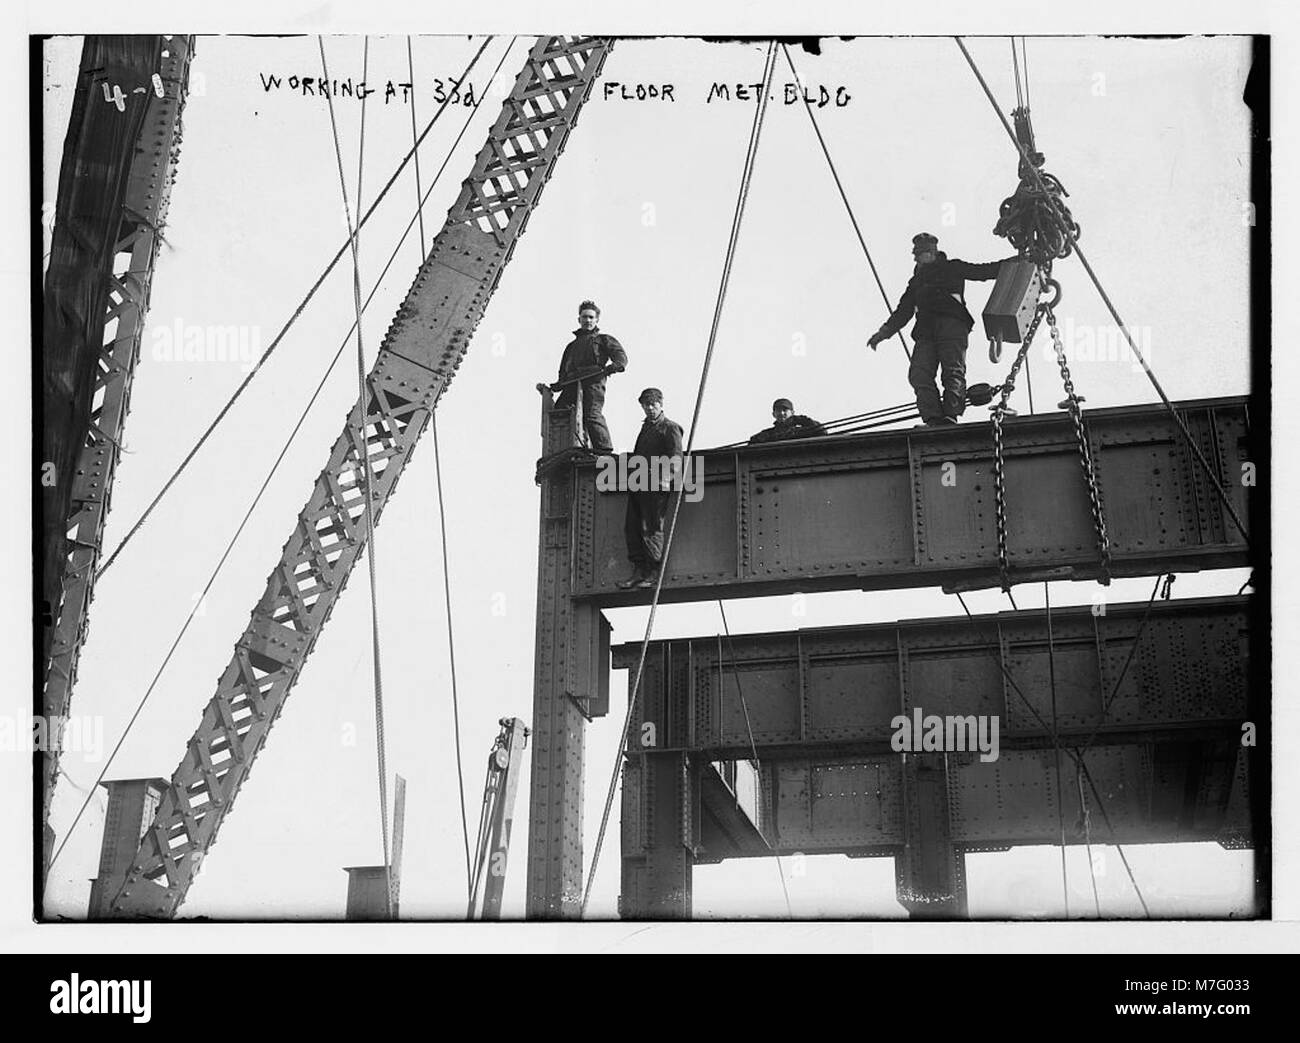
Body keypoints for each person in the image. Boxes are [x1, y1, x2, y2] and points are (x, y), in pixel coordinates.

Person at [867, 233, 1012, 426]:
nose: (915, 258)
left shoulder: (952, 268)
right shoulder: (916, 282)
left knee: (952, 370)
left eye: (919, 253)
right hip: (926, 331)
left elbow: (984, 272)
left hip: (951, 325)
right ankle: (933, 418)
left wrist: (1015, 263)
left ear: (931, 253)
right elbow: (903, 312)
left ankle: (951, 415)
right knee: (919, 373)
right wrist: (883, 333)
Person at [617, 388, 685, 590]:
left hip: (656, 485)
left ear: (661, 404)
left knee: (652, 527)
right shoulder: (646, 428)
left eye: (653, 405)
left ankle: (654, 572)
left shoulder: (670, 428)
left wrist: (666, 478)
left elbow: (676, 456)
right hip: (639, 485)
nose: (649, 409)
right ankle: (638, 572)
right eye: (646, 405)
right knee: (632, 527)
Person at [551, 299, 627, 452]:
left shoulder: (603, 339)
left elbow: (620, 357)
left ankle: (604, 449)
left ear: (597, 320)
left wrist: (614, 367)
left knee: (592, 414)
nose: (588, 320)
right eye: (585, 317)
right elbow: (563, 370)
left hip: (593, 381)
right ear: (579, 319)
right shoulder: (571, 346)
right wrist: (556, 385)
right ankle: (563, 448)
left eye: (591, 317)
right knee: (559, 413)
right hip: (572, 383)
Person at [749, 398, 828, 444]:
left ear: (792, 413)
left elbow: (821, 431)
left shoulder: (802, 431)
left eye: (785, 410)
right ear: (773, 414)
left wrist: (801, 419)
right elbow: (752, 442)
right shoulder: (769, 434)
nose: (781, 413)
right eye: (778, 411)